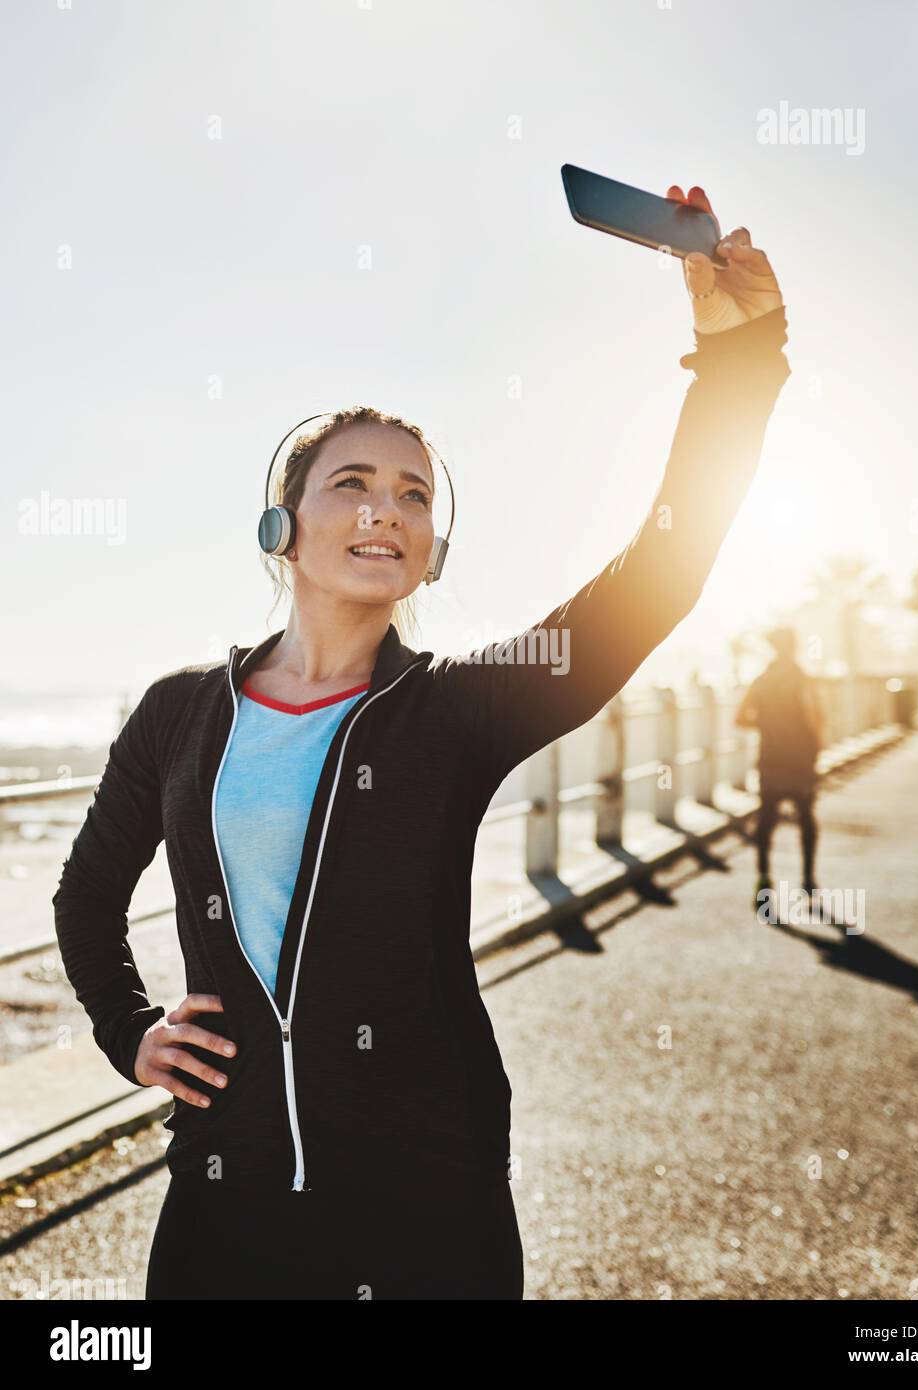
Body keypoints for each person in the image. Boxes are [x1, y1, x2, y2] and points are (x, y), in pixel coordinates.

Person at [52, 184, 791, 1300]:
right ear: (281, 524)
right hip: (221, 1189)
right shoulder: (181, 712)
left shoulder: (459, 710)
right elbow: (86, 892)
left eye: (412, 496)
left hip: (422, 1194)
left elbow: (659, 575)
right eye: (348, 484)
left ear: (431, 551)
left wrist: (740, 363)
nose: (383, 511)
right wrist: (132, 1030)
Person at [735, 627, 824, 907]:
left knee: (766, 818)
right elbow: (816, 718)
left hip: (770, 758)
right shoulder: (802, 680)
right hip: (799, 760)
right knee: (806, 815)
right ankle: (808, 879)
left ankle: (763, 880)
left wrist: (764, 725)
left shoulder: (761, 681)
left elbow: (739, 718)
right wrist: (815, 749)